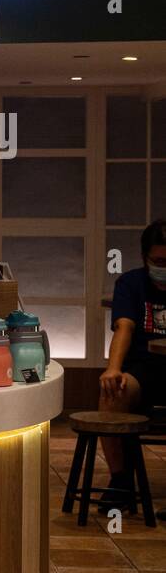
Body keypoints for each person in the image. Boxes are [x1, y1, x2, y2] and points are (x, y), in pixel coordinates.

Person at [100, 219, 166, 518]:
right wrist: (113, 369)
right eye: (159, 261)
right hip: (143, 367)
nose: (163, 267)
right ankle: (120, 482)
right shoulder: (131, 284)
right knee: (114, 392)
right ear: (145, 257)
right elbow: (124, 327)